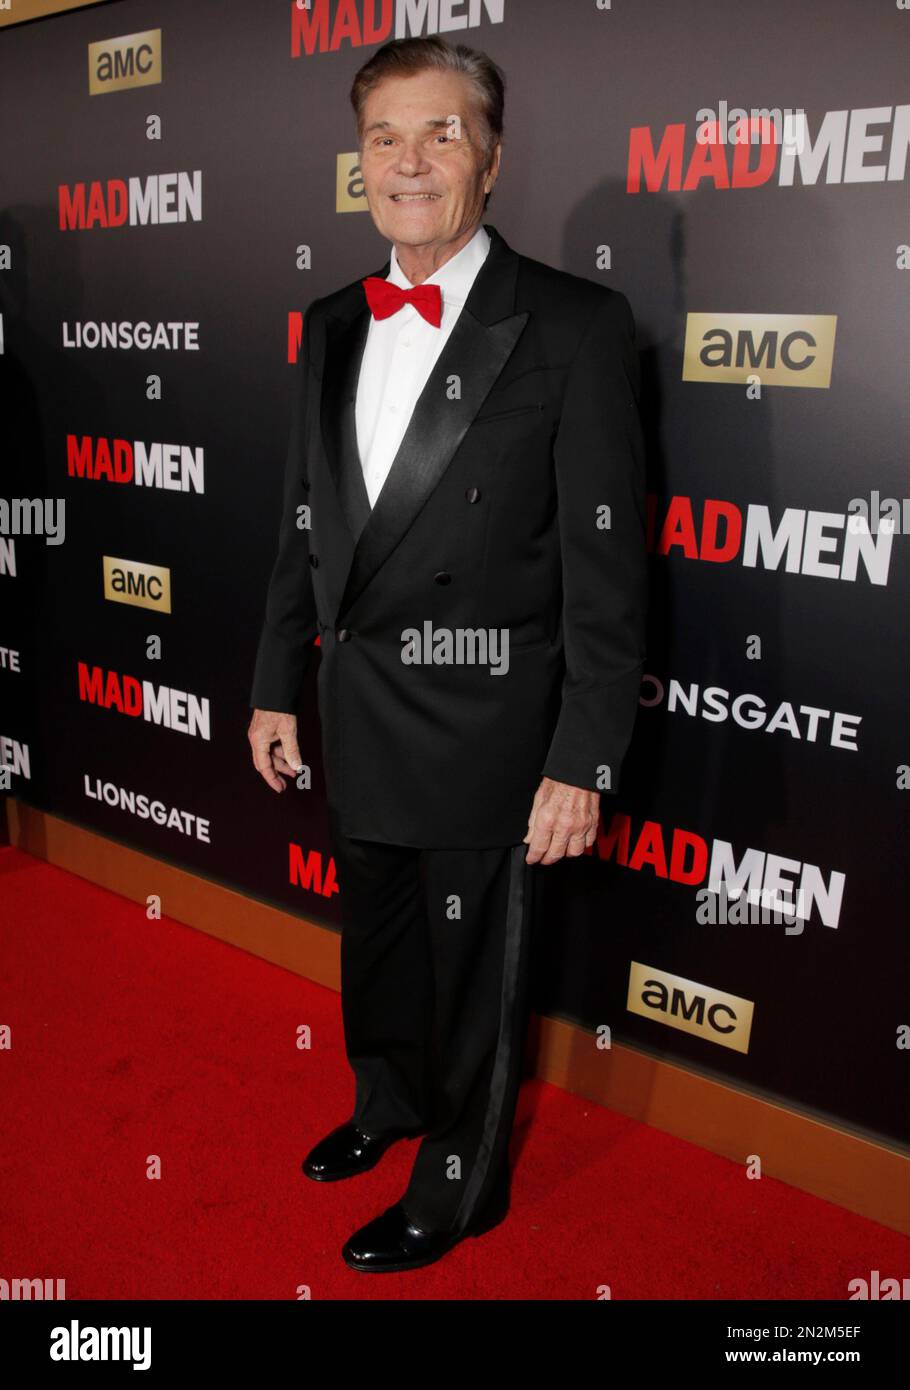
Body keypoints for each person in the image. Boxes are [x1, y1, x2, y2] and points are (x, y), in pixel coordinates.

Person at [248, 35, 648, 1273]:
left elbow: (607, 566)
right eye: (384, 137)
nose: (409, 162)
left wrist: (582, 757)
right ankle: (387, 1100)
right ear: (356, 158)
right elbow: (304, 527)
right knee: (375, 940)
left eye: (440, 133)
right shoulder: (328, 322)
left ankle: (461, 1183)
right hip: (356, 704)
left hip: (490, 724)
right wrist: (274, 685)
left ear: (491, 155)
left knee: (475, 962)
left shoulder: (575, 326)